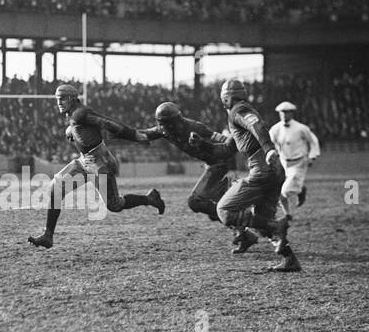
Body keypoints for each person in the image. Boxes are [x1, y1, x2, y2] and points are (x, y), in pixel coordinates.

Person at [27, 84, 165, 249]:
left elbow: (110, 124)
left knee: (115, 205)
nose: (59, 102)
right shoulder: (74, 114)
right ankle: (48, 236)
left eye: (63, 99)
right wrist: (72, 131)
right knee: (56, 188)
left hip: (100, 162)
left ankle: (149, 199)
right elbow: (84, 129)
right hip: (85, 161)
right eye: (58, 99)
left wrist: (136, 136)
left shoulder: (80, 113)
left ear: (72, 99)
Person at [190, 79, 298, 270]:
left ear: (225, 98)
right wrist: (202, 144)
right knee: (262, 223)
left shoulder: (237, 111)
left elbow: (256, 126)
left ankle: (276, 228)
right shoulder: (242, 111)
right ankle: (289, 258)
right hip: (274, 171)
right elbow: (226, 149)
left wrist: (268, 149)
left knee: (224, 210)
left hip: (262, 168)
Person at [138, 101, 237, 221]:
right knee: (215, 207)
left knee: (197, 202)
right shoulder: (165, 131)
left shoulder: (196, 128)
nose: (166, 129)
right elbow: (142, 134)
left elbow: (227, 144)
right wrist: (120, 131)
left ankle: (241, 219)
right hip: (214, 166)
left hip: (220, 165)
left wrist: (232, 168)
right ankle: (241, 226)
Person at [268, 101, 321, 217]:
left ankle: (300, 190)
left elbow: (313, 141)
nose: (284, 115)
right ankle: (288, 214)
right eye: (282, 113)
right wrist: (272, 154)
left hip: (299, 163)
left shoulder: (301, 128)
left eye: (287, 113)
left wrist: (312, 156)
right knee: (279, 191)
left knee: (285, 191)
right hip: (283, 162)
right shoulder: (275, 129)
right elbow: (270, 143)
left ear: (292, 114)